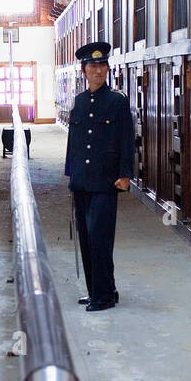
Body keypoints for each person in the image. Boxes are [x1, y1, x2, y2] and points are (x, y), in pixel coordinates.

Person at [64, 41, 135, 312]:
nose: (98, 71)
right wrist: (71, 174)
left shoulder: (117, 101)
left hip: (106, 181)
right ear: (84, 70)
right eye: (93, 66)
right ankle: (99, 291)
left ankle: (103, 297)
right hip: (82, 182)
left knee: (100, 239)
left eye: (102, 66)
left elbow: (126, 140)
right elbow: (74, 143)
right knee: (86, 238)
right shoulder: (79, 102)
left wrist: (125, 174)